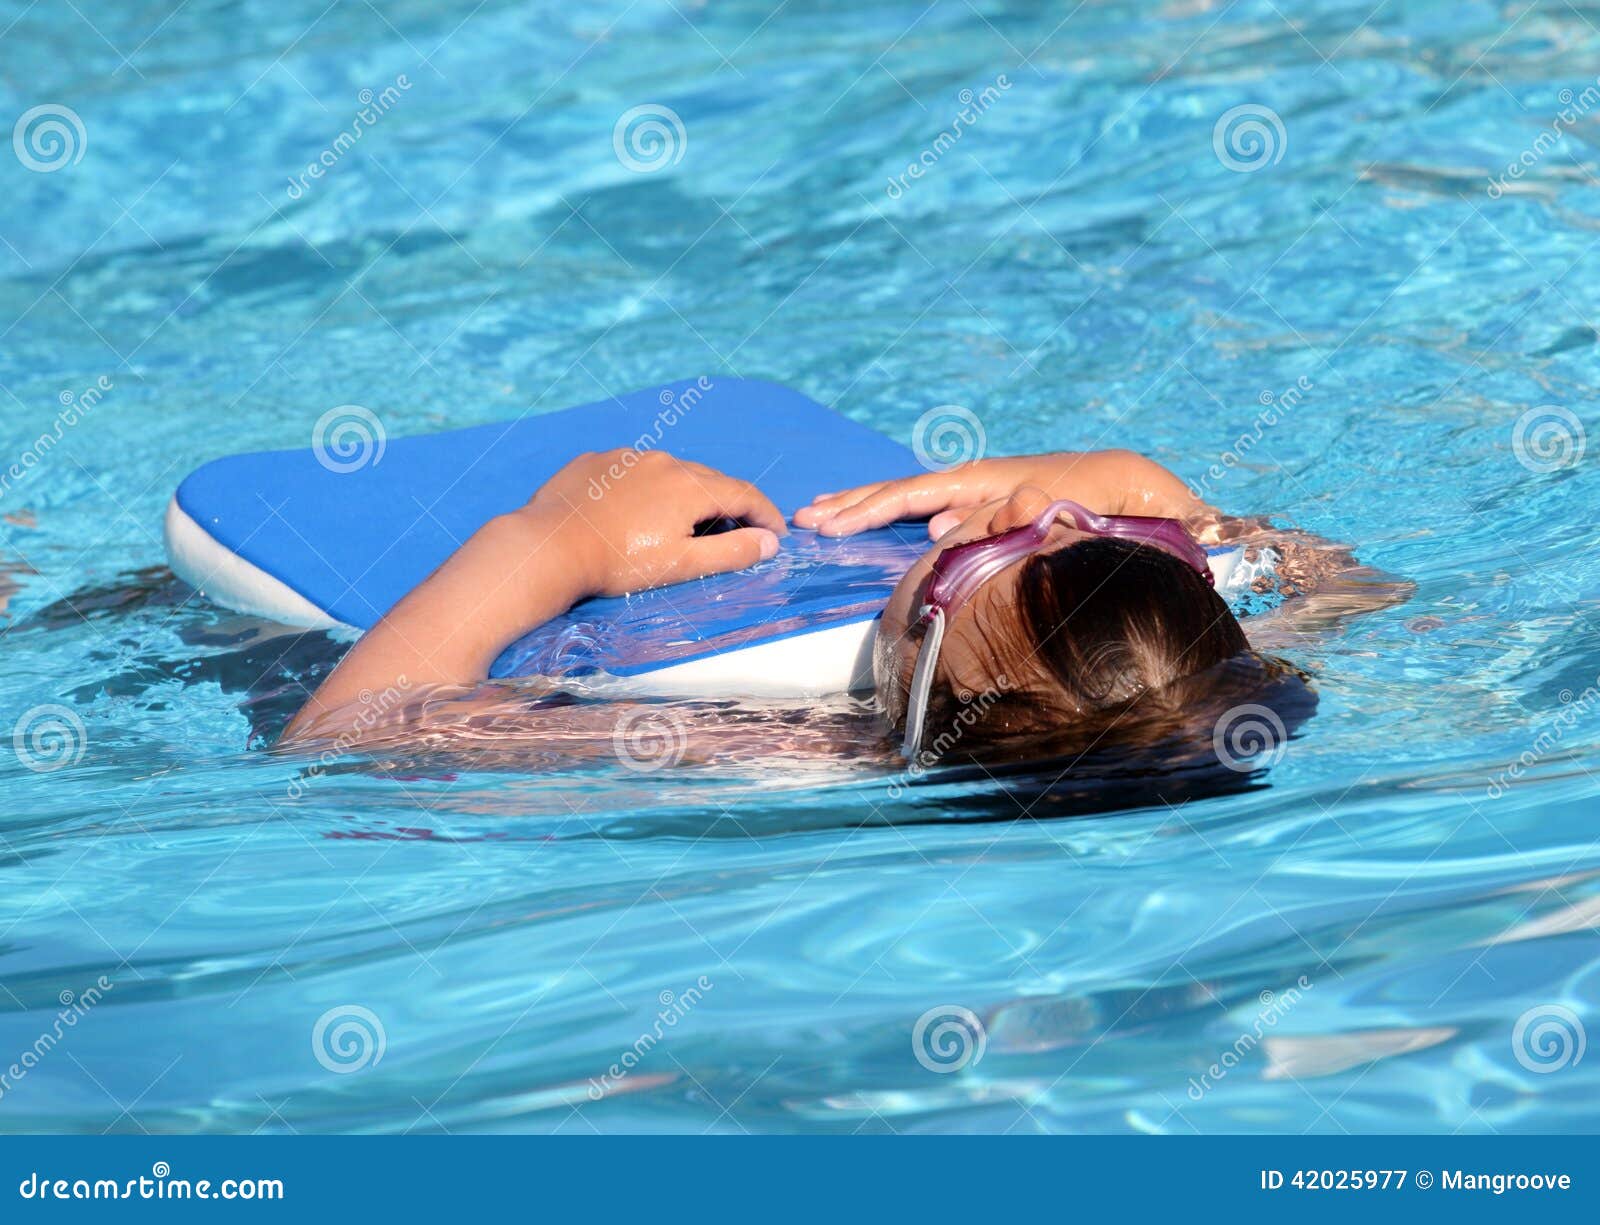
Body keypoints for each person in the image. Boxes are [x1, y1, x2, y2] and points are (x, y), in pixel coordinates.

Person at [280, 448, 1292, 758]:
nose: (1039, 508)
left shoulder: (781, 746)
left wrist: (556, 539)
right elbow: (1337, 583)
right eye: (1105, 529)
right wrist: (1152, 490)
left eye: (995, 548)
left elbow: (343, 734)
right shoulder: (1186, 694)